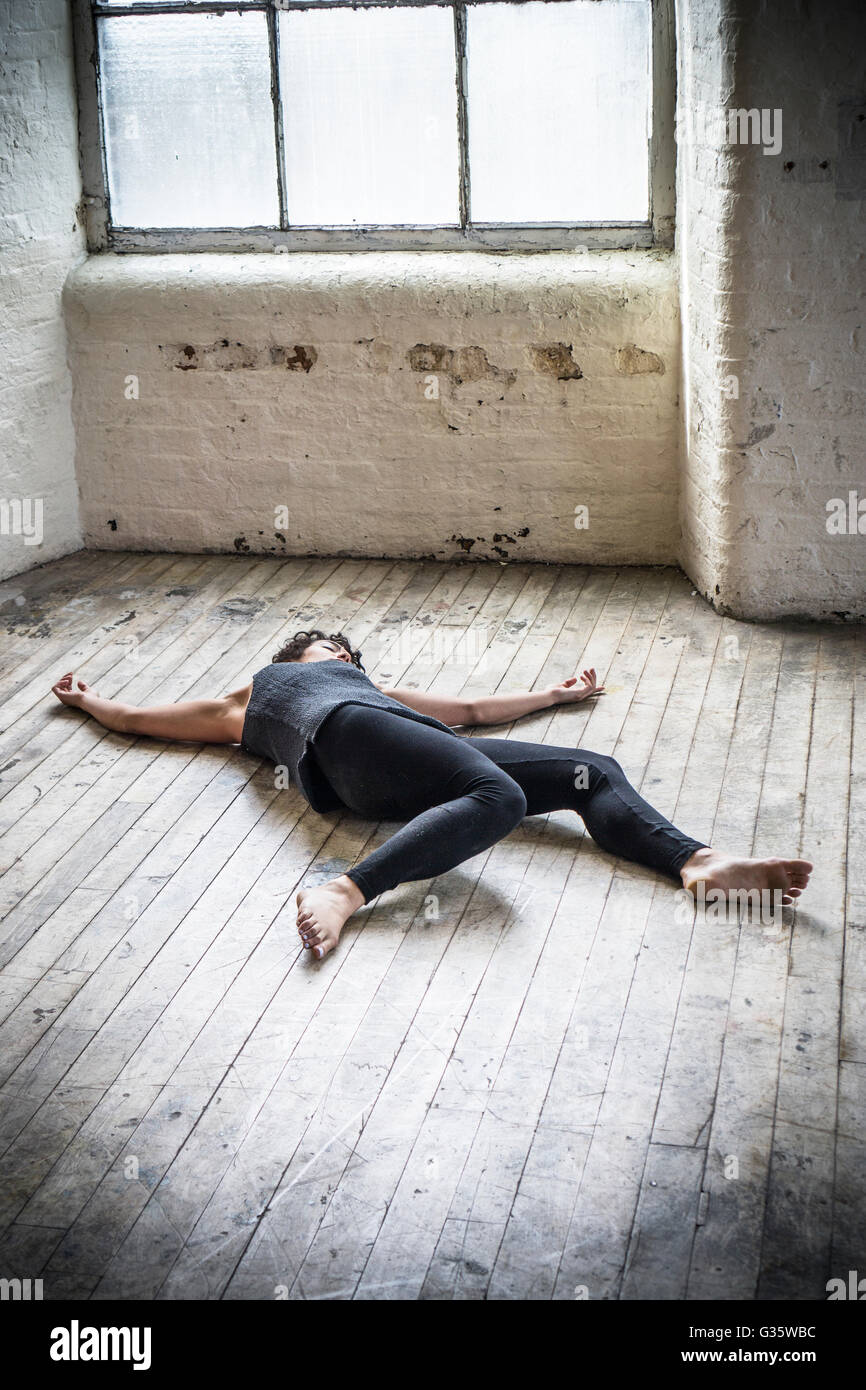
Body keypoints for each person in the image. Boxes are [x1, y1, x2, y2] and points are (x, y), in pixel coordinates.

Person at [51, 628, 812, 960]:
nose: (344, 653)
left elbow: (473, 712)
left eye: (348, 652)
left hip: (407, 769)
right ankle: (349, 888)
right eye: (332, 648)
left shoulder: (371, 685)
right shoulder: (258, 693)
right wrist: (92, 703)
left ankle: (695, 862)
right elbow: (142, 719)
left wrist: (553, 694)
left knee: (593, 771)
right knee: (503, 799)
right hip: (342, 742)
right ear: (296, 658)